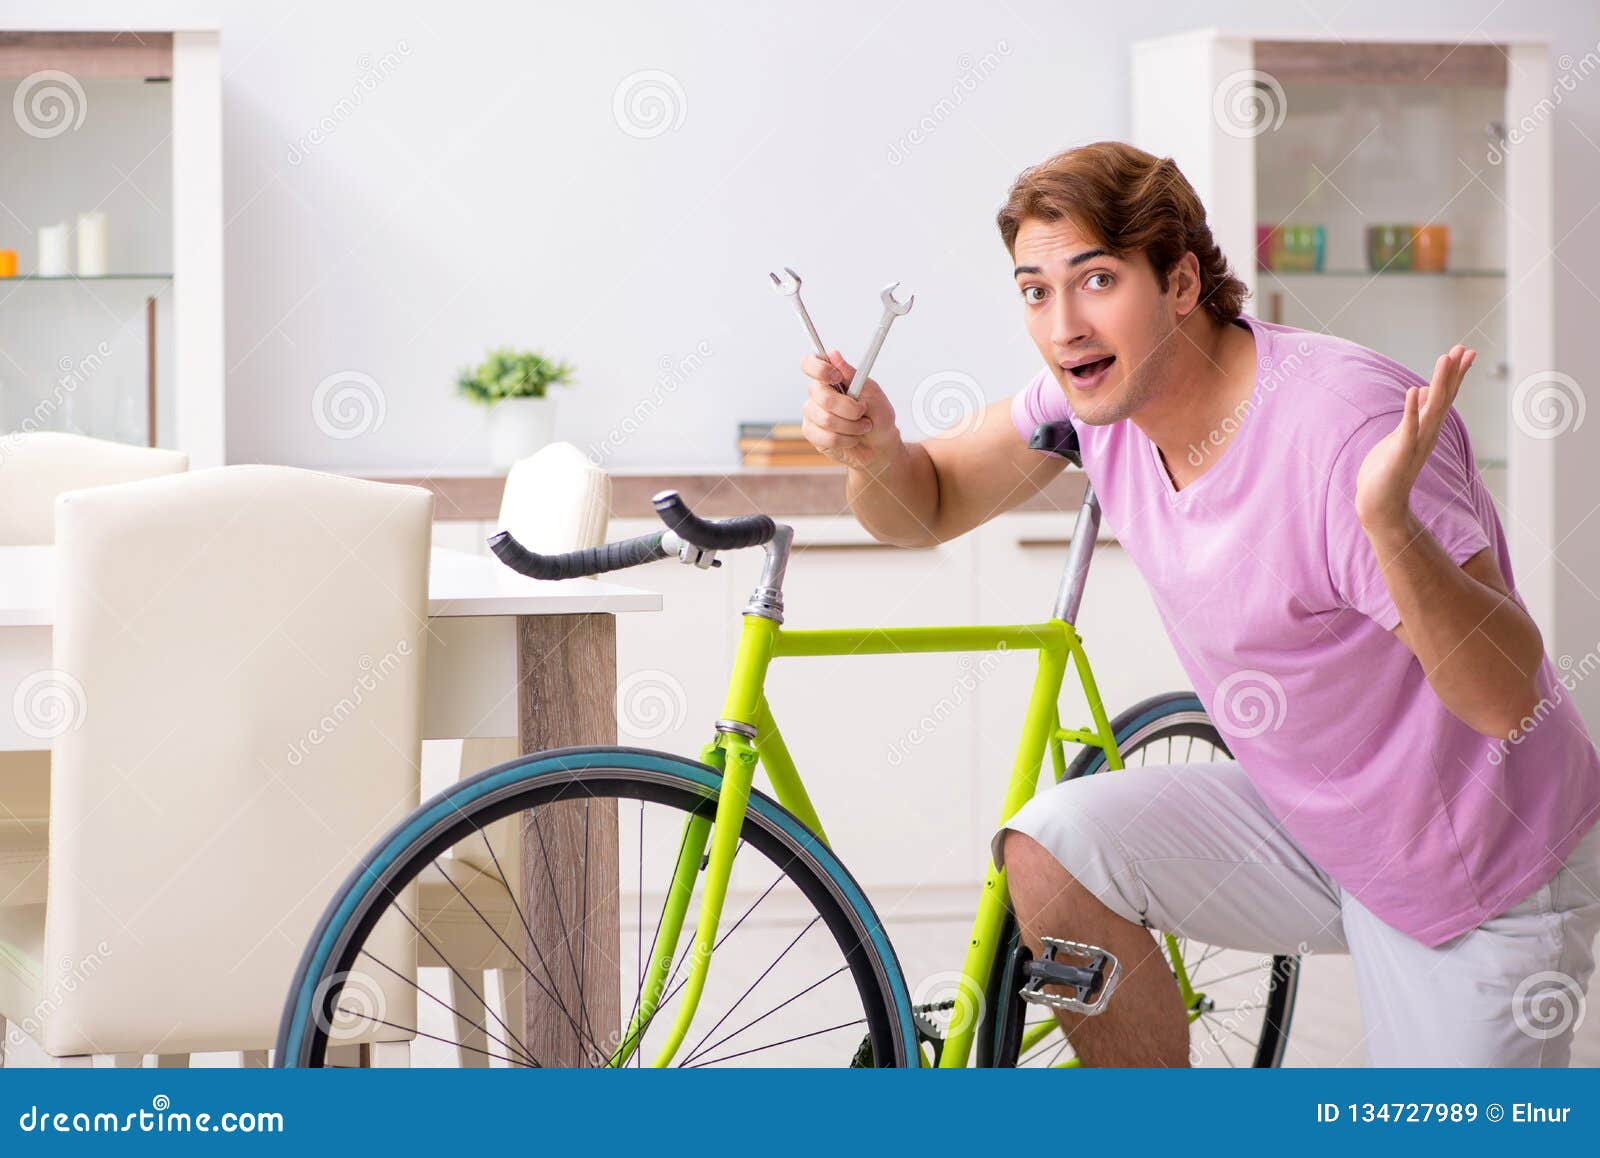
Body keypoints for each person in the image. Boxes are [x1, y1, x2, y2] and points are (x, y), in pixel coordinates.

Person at [797, 140, 1600, 1067]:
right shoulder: (1092, 403)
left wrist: (1389, 526)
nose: (1063, 326)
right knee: (1054, 848)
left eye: (1096, 279)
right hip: (1314, 822)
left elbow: (1508, 702)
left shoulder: (1344, 429)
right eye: (1034, 290)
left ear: (1180, 283)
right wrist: (872, 452)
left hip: (1476, 866)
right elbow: (924, 504)